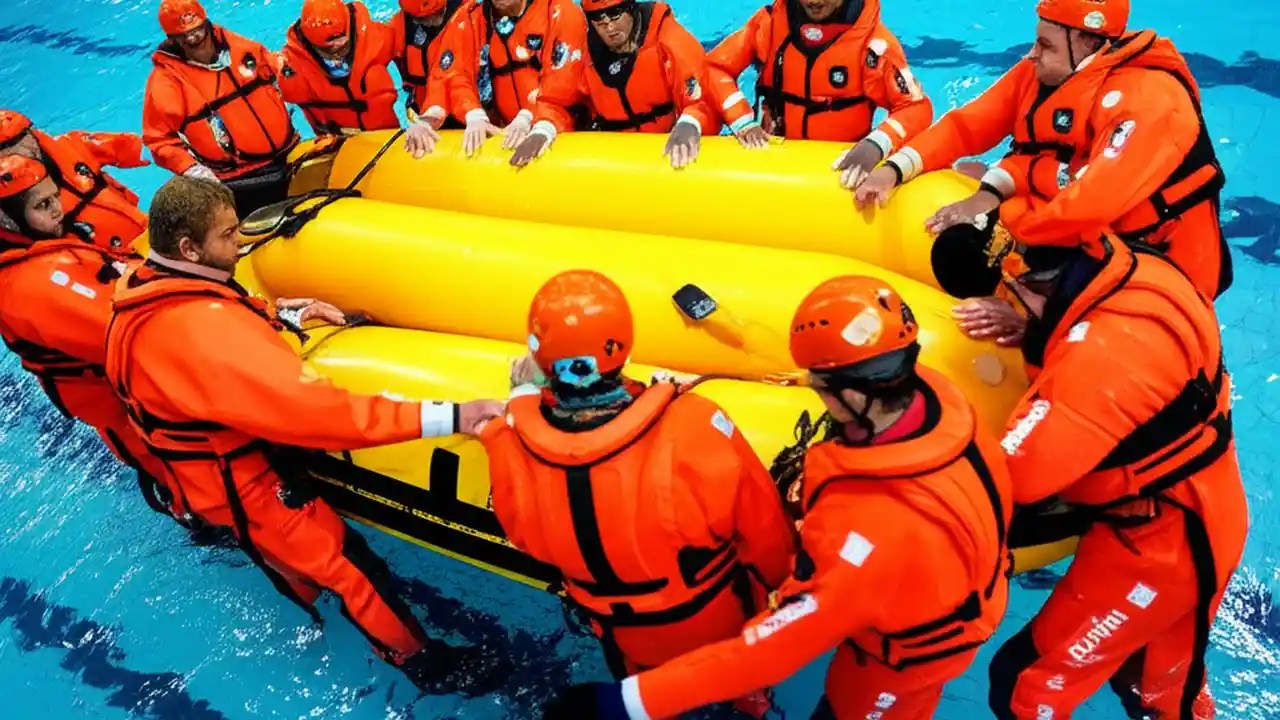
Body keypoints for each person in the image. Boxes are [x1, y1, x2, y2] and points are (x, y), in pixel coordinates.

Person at [539, 275, 1015, 720]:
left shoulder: (866, 532)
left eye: (819, 385)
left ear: (849, 393)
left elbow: (767, 652)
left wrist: (626, 702)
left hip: (901, 659)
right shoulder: (942, 399)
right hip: (960, 598)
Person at [103, 175, 510, 691]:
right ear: (188, 247)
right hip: (238, 481)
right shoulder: (199, 333)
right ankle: (425, 665)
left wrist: (282, 311)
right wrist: (452, 416)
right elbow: (329, 415)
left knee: (304, 557)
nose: (240, 243)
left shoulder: (145, 287)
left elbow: (219, 308)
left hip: (203, 465)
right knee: (351, 568)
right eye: (228, 235)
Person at [478, 270, 796, 717]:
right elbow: (768, 538)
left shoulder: (516, 450)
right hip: (721, 624)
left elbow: (526, 537)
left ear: (539, 359)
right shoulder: (693, 424)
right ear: (624, 348)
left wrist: (521, 399)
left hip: (627, 640)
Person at [986, 235, 1248, 719]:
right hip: (1206, 512)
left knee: (1023, 686)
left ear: (1038, 287)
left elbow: (1014, 479)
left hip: (1161, 549)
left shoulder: (1097, 362)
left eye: (1014, 296)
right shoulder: (1142, 269)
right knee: (1163, 686)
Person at [857, 0, 1232, 301]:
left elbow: (1088, 208)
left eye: (1046, 45)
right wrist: (895, 168)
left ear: (1088, 43)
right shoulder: (1047, 71)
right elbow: (966, 126)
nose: (1033, 54)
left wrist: (1000, 217)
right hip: (1085, 234)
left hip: (1160, 263)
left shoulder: (1150, 101)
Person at [0, 155, 180, 519]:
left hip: (128, 389)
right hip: (120, 400)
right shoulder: (29, 284)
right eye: (43, 205)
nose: (58, 210)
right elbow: (121, 332)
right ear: (7, 220)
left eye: (55, 197)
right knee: (175, 472)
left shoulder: (39, 247)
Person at [705, 0, 932, 189]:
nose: (813, 1)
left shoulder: (874, 45)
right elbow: (715, 67)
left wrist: (876, 144)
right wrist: (742, 121)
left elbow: (916, 107)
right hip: (773, 161)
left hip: (837, 170)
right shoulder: (770, 24)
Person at [509, 0, 718, 170]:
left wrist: (691, 122)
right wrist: (544, 129)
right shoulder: (582, 49)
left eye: (615, 13)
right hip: (614, 152)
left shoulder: (667, 36)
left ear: (631, 7)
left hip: (664, 143)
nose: (608, 26)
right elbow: (558, 99)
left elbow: (704, 89)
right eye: (598, 18)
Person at [143, 0, 300, 217]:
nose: (193, 39)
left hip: (290, 153)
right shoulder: (166, 83)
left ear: (206, 24)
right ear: (171, 39)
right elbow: (158, 141)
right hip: (241, 180)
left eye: (197, 31)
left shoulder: (241, 47)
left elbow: (277, 69)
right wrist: (192, 169)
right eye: (183, 36)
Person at [430, 0, 588, 157]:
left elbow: (564, 81)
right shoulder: (470, 18)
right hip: (502, 133)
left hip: (562, 131)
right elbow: (453, 73)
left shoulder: (560, 12)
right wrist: (472, 114)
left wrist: (539, 124)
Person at [0, 110, 148, 255]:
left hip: (145, 229)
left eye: (23, 135)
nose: (23, 146)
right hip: (109, 261)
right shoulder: (7, 210)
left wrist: (155, 150)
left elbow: (130, 147)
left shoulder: (71, 146)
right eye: (7, 146)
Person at [278, 0, 401, 137]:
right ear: (311, 45)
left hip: (386, 136)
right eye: (327, 50)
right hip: (337, 140)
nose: (336, 55)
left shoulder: (378, 38)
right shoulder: (291, 68)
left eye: (343, 48)